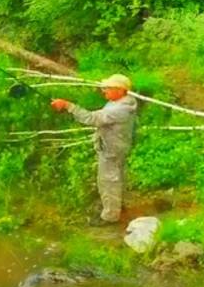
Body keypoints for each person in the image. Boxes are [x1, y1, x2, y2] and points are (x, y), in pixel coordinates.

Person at [51, 74, 141, 223]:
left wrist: (68, 106)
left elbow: (92, 118)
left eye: (108, 88)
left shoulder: (119, 109)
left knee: (108, 182)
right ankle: (117, 207)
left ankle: (110, 217)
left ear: (120, 90)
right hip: (117, 147)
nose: (104, 90)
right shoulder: (121, 103)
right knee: (116, 179)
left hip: (111, 151)